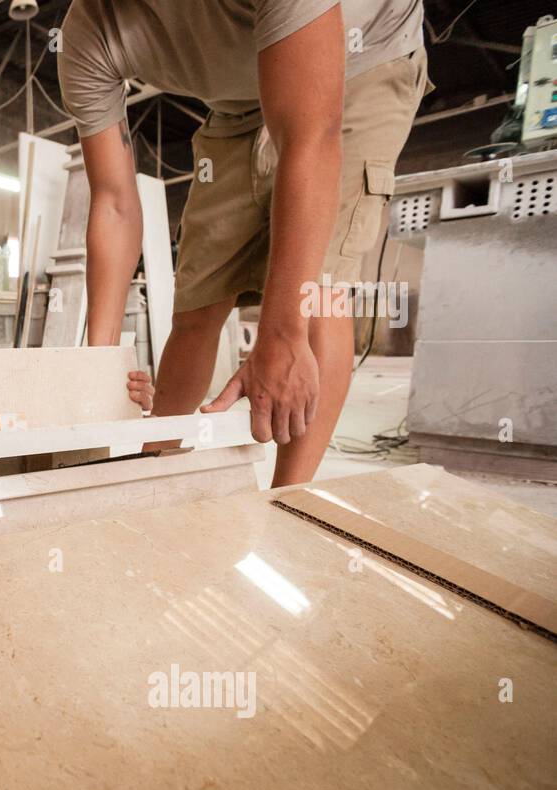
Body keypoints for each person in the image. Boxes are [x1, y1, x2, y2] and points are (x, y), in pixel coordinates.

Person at [59, 0, 429, 484]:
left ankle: (289, 503)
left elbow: (310, 137)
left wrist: (281, 333)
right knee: (197, 304)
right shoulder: (85, 35)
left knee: (316, 294)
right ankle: (152, 470)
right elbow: (113, 202)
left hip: (360, 58)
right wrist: (99, 362)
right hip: (237, 104)